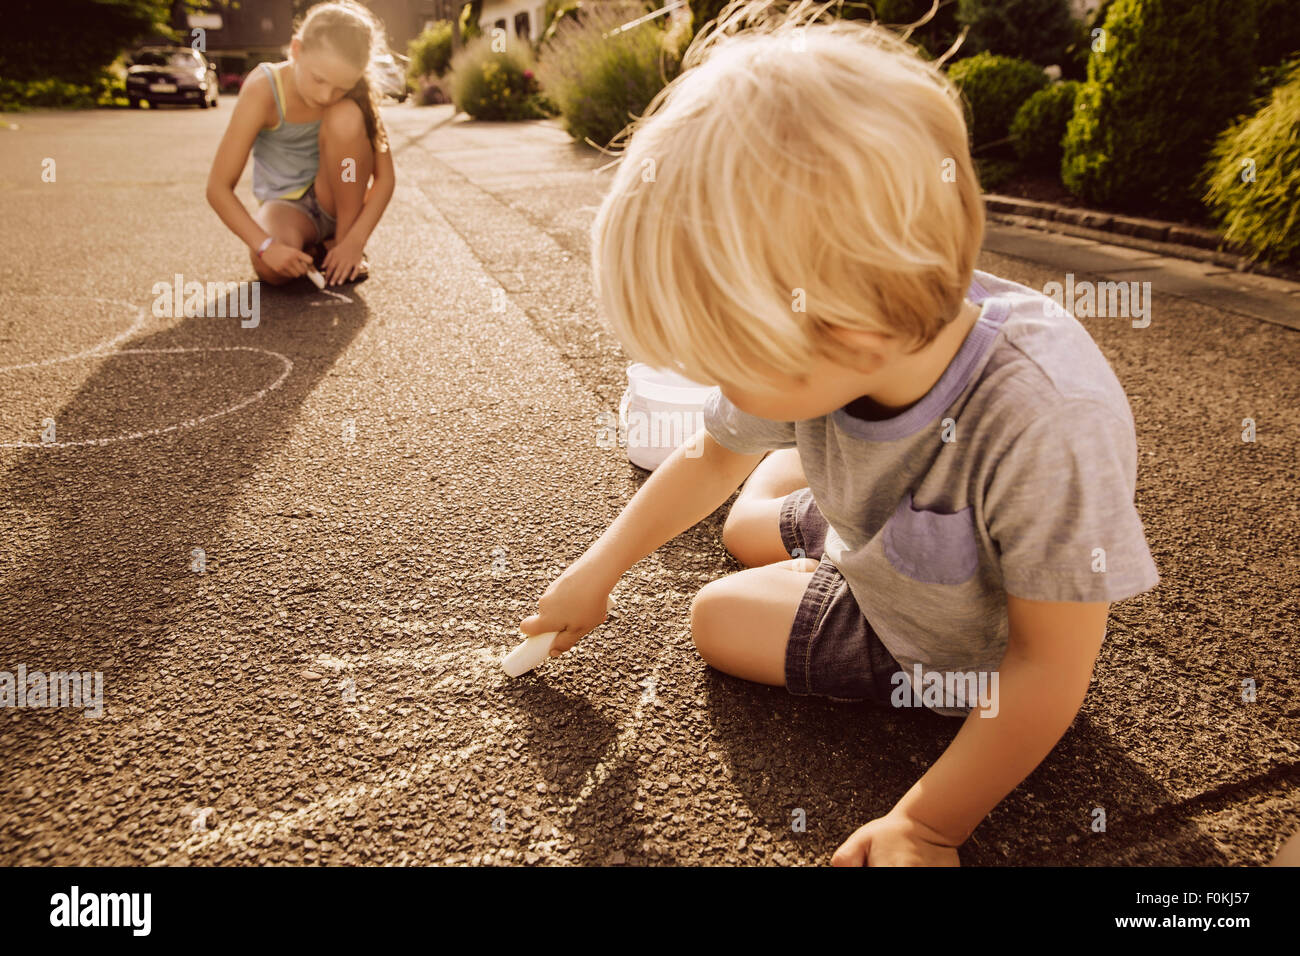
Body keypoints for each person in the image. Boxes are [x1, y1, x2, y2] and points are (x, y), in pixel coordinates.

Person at [519, 0, 1160, 866]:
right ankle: (819, 526)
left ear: (853, 338)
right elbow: (713, 454)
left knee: (716, 616)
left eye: (725, 362)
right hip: (885, 541)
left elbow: (1050, 664)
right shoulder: (847, 332)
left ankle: (826, 542)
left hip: (955, 646)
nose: (716, 386)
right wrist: (599, 569)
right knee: (745, 519)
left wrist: (928, 823)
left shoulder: (1047, 421)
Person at [206, 0, 395, 287]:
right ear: (296, 50)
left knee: (345, 117)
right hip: (288, 209)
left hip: (339, 199)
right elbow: (218, 188)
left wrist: (354, 242)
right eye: (318, 79)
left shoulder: (356, 93)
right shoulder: (264, 89)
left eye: (340, 87)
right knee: (269, 269)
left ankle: (339, 242)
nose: (325, 95)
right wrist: (266, 247)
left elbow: (385, 179)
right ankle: (317, 249)